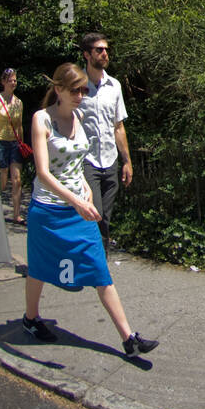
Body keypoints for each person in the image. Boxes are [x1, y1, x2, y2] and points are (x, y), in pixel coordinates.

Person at [21, 63, 158, 359]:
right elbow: (43, 173)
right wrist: (77, 199)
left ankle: (129, 338)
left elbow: (75, 164)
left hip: (76, 210)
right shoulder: (41, 120)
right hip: (47, 210)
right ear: (58, 89)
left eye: (84, 90)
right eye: (75, 90)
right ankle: (30, 318)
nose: (81, 96)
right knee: (40, 269)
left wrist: (83, 185)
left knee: (99, 269)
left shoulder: (80, 116)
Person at [78, 32, 131, 251]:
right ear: (87, 55)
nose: (105, 53)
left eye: (106, 49)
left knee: (105, 217)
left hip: (110, 160)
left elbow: (118, 126)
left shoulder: (114, 86)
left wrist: (127, 161)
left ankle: (97, 259)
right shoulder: (76, 85)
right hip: (86, 161)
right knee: (94, 212)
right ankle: (98, 263)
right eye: (99, 50)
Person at [0, 68, 26, 225]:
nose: (13, 83)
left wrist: (22, 143)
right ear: (3, 82)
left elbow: (19, 126)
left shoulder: (18, 102)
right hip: (0, 141)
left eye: (15, 80)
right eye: (10, 80)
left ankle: (16, 214)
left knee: (17, 180)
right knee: (3, 178)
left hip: (14, 143)